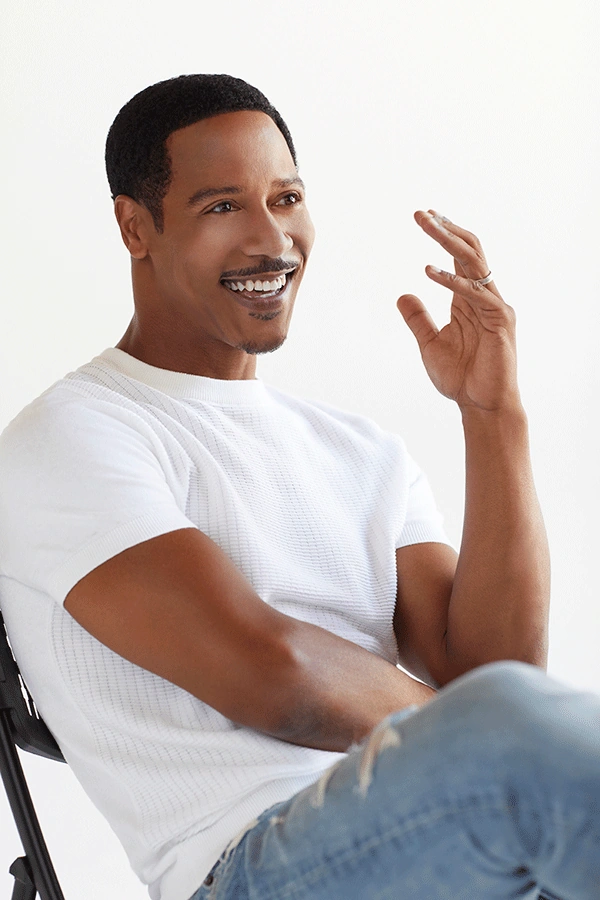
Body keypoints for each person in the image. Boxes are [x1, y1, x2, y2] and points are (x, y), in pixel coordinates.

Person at [0, 73, 597, 900]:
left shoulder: (362, 452)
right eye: (222, 206)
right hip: (253, 865)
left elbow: (497, 675)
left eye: (286, 198)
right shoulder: (74, 436)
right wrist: (491, 724)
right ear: (136, 227)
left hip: (443, 838)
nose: (271, 238)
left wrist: (493, 414)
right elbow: (269, 673)